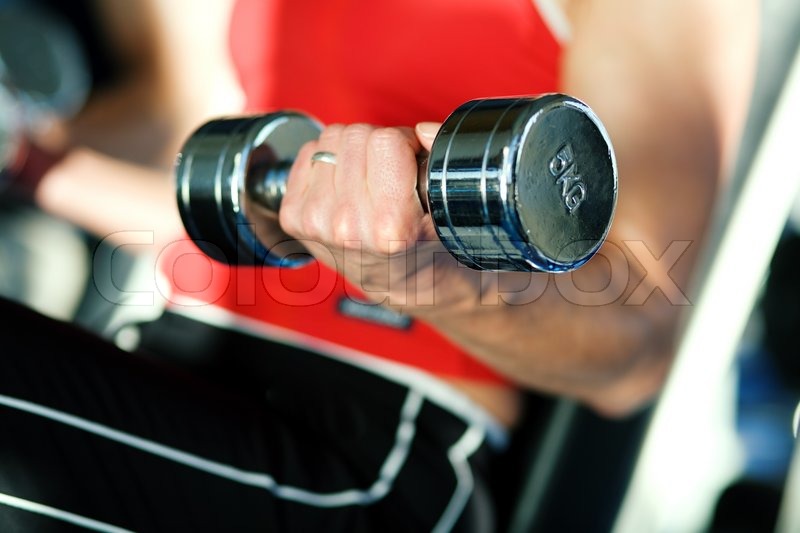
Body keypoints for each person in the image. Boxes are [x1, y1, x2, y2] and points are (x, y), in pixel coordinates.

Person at [0, 0, 758, 531]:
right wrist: (31, 159)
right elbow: (201, 154)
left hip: (372, 455)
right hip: (162, 353)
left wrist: (421, 274)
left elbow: (636, 339)